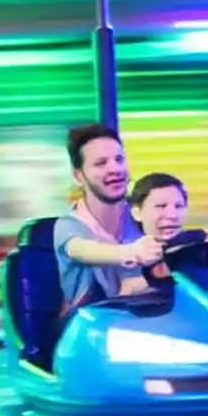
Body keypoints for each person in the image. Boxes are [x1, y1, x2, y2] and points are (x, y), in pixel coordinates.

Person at [53, 124, 163, 310]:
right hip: (94, 323)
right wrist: (133, 252)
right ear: (79, 176)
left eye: (119, 160)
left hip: (146, 318)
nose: (115, 169)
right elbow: (83, 250)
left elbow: (170, 236)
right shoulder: (69, 225)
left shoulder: (140, 214)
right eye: (101, 163)